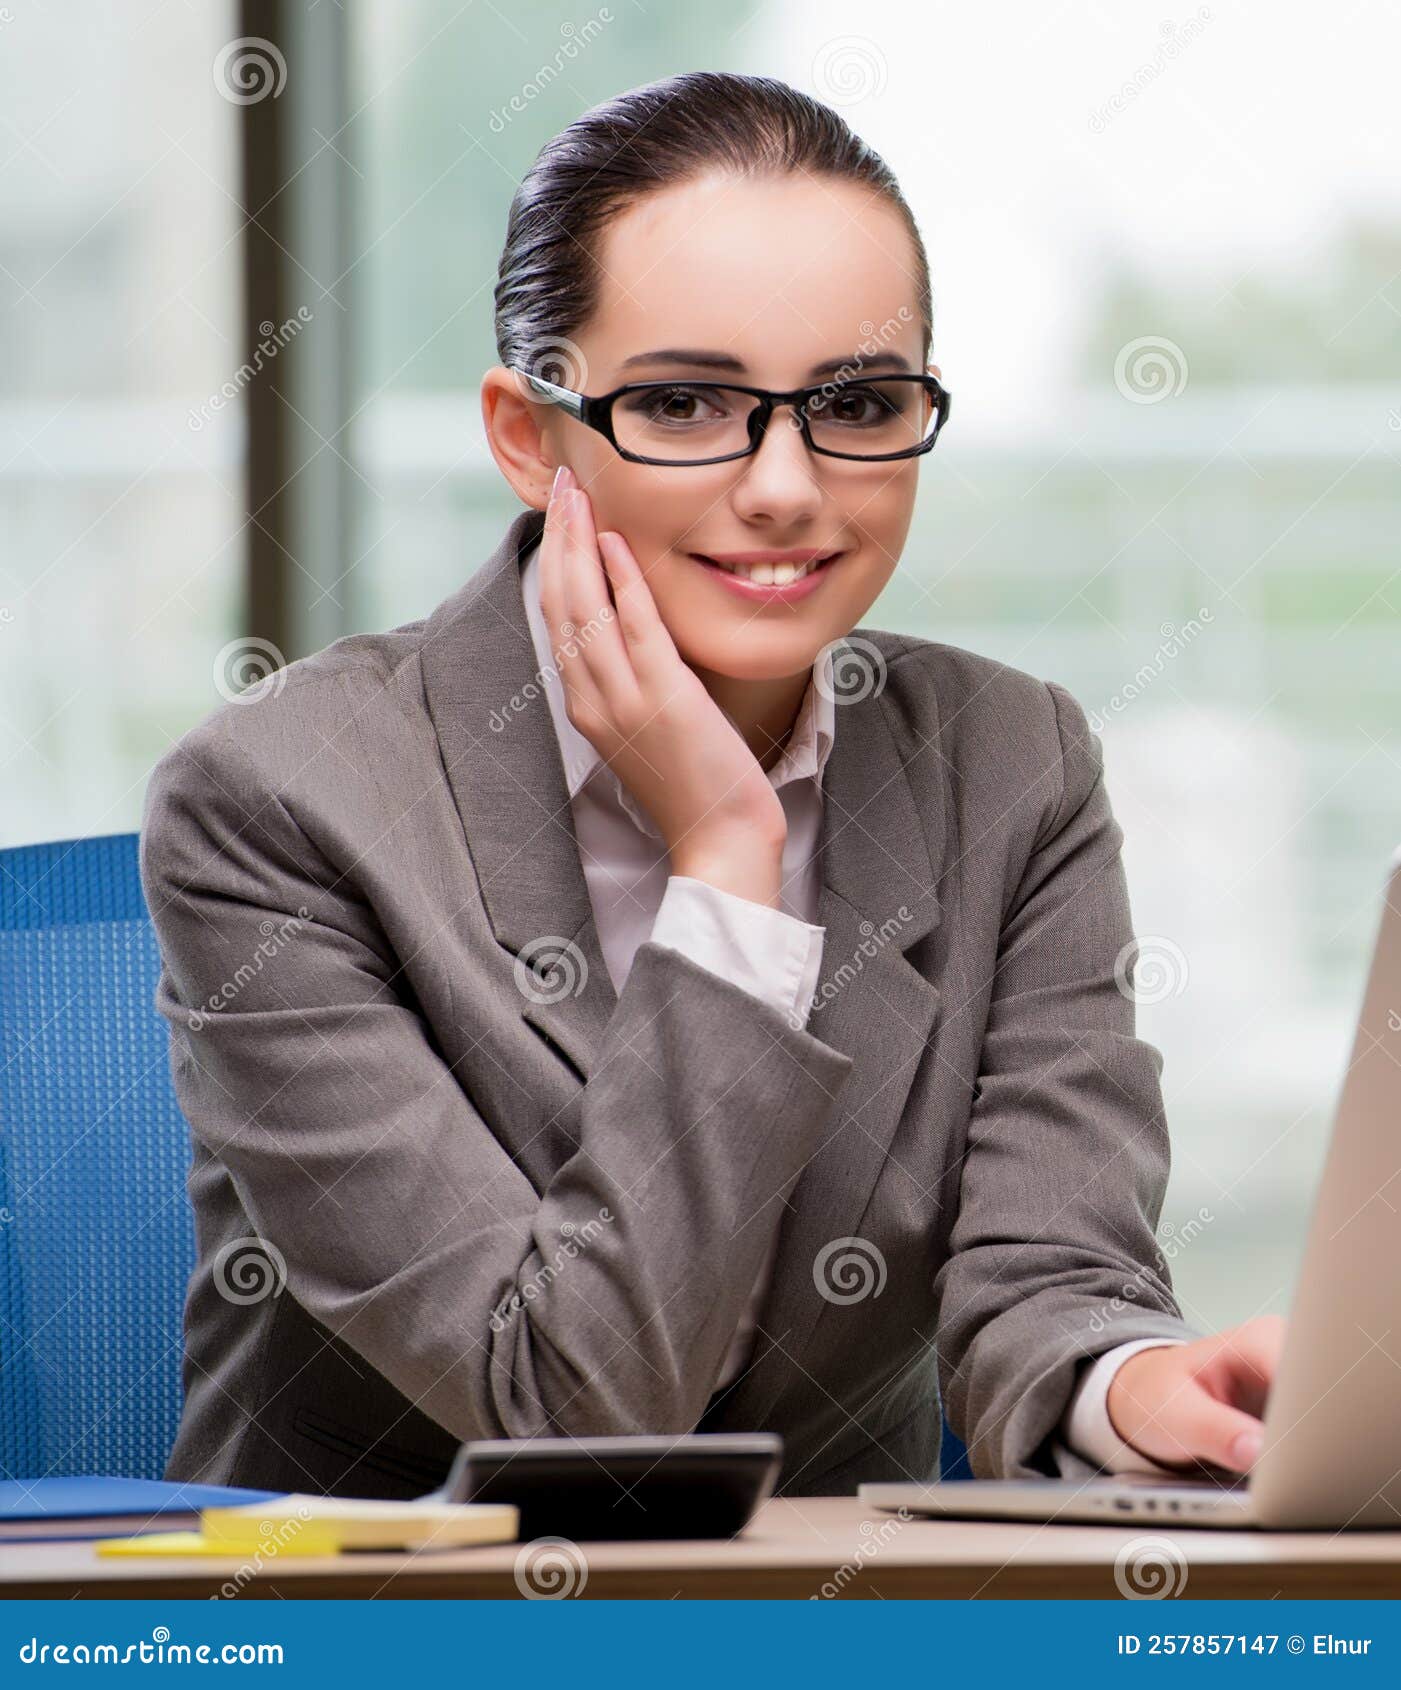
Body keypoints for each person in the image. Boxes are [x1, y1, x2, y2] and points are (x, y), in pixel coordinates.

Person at [140, 70, 1281, 1501]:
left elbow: (1045, 1273)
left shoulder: (1013, 766)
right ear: (525, 432)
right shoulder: (279, 800)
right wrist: (728, 853)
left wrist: (1126, 1383)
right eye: (684, 402)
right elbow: (563, 1411)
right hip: (396, 1631)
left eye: (857, 401)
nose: (787, 486)